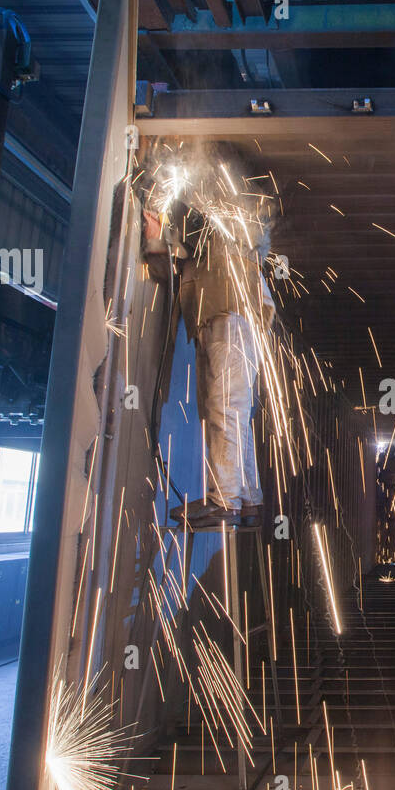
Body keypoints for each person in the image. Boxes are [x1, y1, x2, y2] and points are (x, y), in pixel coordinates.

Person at [144, 146, 276, 528]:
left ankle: (226, 501)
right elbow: (171, 271)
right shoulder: (202, 241)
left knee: (225, 408)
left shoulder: (233, 219)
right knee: (231, 409)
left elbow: (232, 233)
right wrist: (156, 237)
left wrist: (183, 213)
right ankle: (246, 496)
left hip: (232, 314)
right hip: (216, 317)